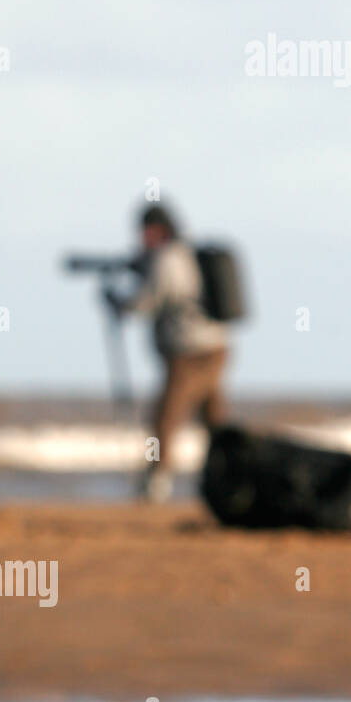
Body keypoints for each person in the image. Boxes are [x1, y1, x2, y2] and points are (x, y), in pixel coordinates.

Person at [110, 203, 231, 502]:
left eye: (145, 231)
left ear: (158, 230)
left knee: (166, 416)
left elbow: (150, 300)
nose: (141, 238)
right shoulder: (180, 254)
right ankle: (228, 475)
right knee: (213, 419)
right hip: (211, 347)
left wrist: (119, 303)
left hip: (191, 353)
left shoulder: (168, 258)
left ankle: (158, 481)